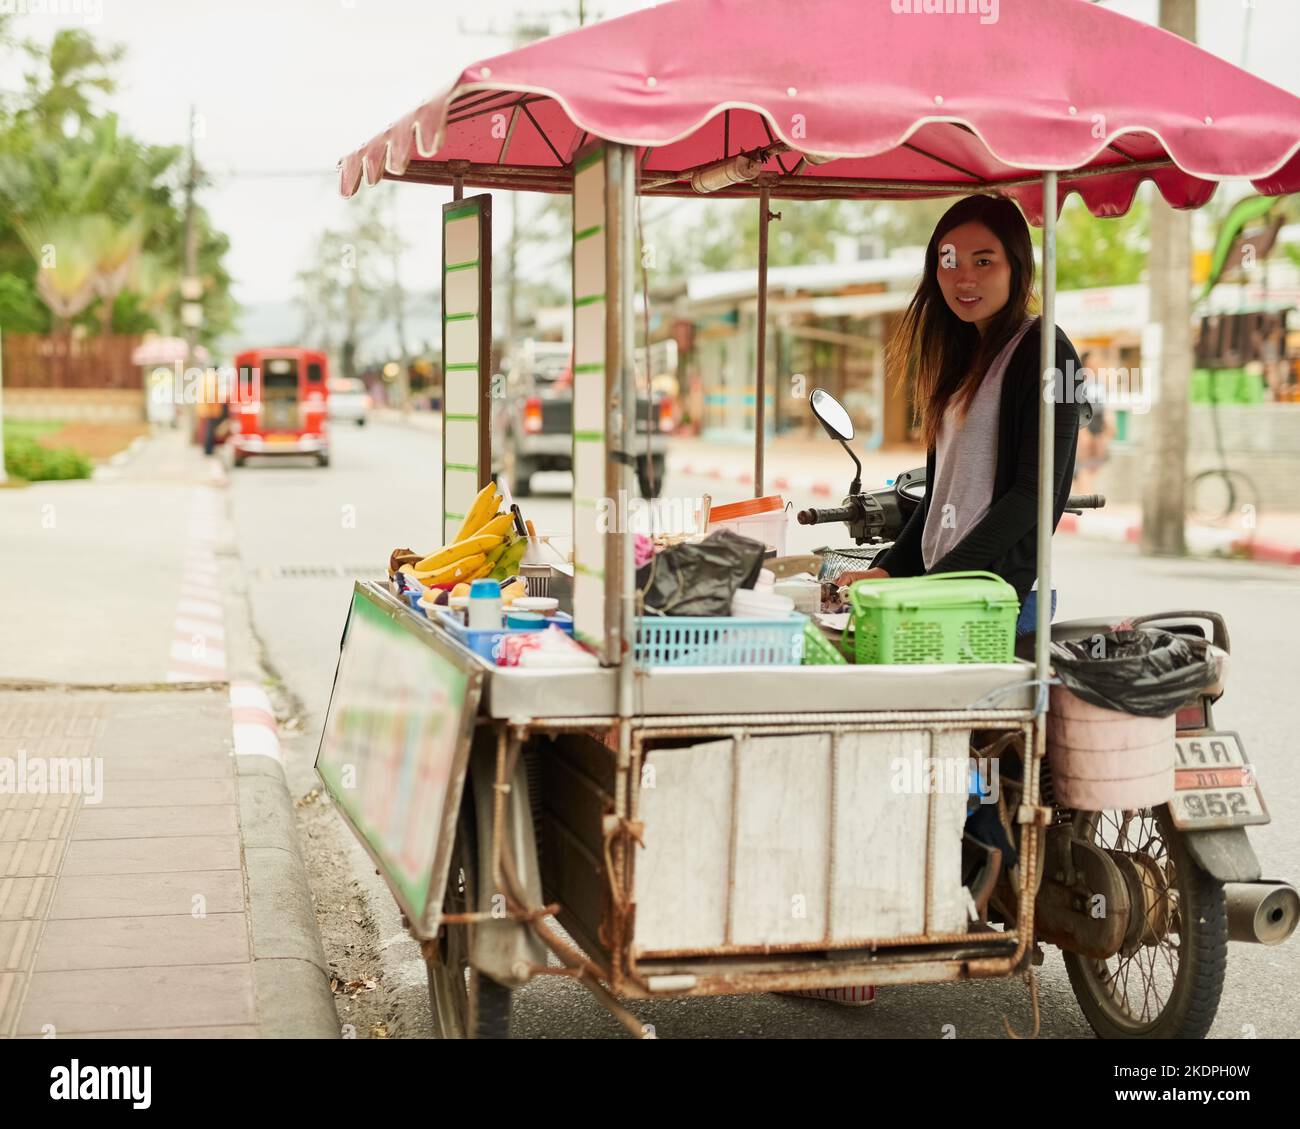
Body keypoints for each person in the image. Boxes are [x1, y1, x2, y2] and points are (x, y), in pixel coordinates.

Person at [837, 194, 1084, 637]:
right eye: (949, 260)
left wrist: (937, 583)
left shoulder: (1049, 352)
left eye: (984, 261)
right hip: (946, 592)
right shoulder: (962, 359)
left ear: (1016, 267)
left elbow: (1034, 493)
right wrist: (891, 571)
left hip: (998, 599)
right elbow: (938, 496)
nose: (964, 277)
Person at [1072, 352, 1113, 495]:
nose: (1097, 363)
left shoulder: (1100, 383)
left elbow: (1105, 406)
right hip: (1085, 426)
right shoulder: (1080, 382)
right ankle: (1084, 494)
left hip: (1098, 425)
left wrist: (1108, 427)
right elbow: (1078, 407)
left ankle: (1086, 491)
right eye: (1094, 360)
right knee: (1083, 463)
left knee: (1096, 462)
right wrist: (1083, 432)